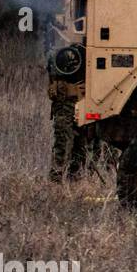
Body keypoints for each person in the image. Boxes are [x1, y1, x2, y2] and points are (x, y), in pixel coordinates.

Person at [46, 53, 86, 183]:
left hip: (82, 102)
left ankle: (74, 179)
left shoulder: (82, 53)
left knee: (80, 144)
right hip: (64, 104)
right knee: (63, 143)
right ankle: (56, 180)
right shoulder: (60, 55)